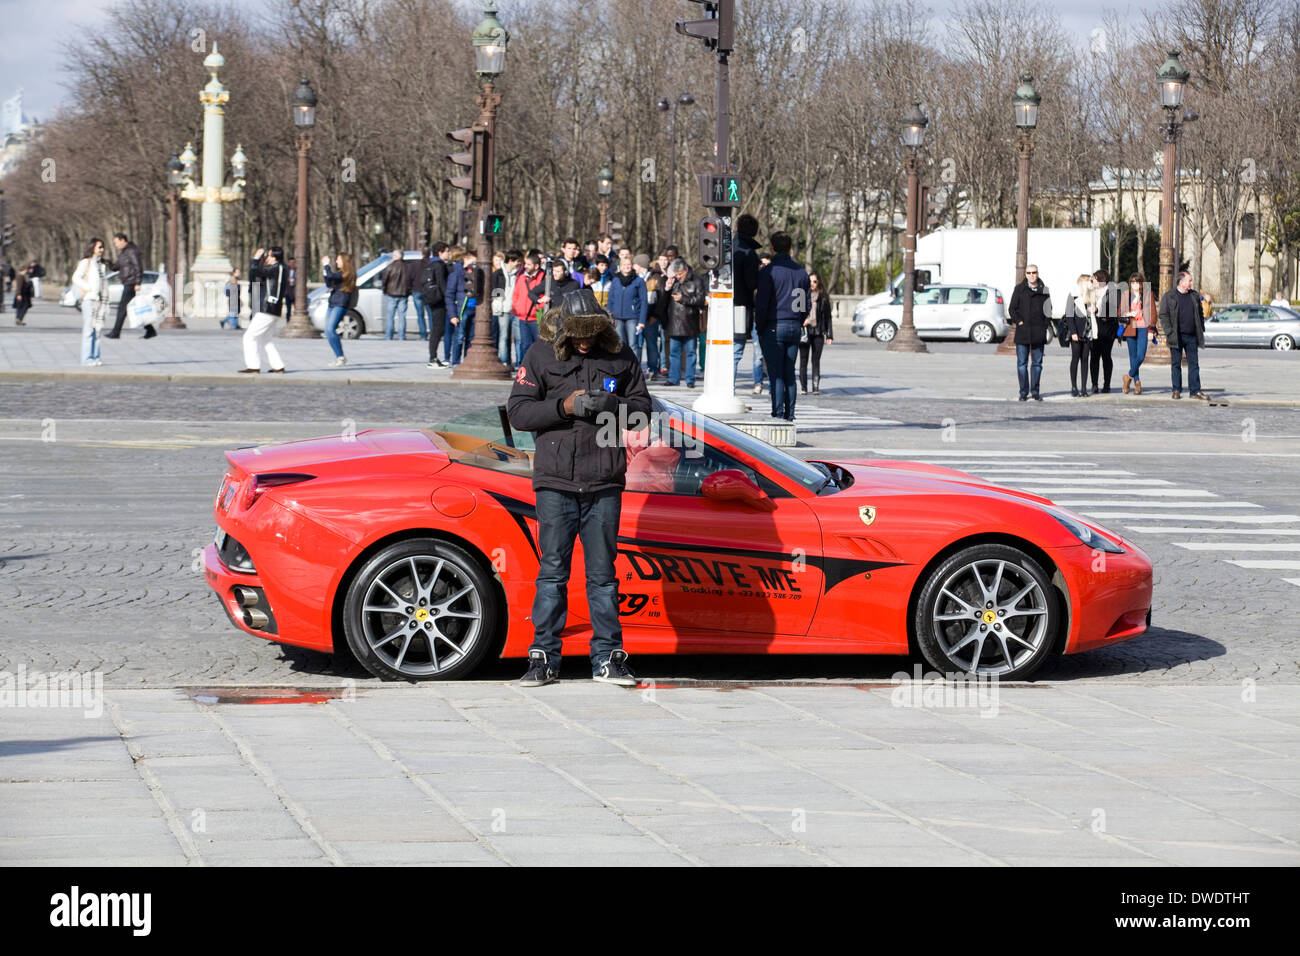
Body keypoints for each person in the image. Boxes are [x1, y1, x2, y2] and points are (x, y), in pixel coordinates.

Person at [507, 286, 652, 687]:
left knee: (603, 576)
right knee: (553, 573)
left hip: (604, 481)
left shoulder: (621, 356)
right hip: (555, 483)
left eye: (590, 334)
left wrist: (612, 407)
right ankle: (543, 658)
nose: (584, 342)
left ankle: (608, 657)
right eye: (577, 335)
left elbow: (642, 413)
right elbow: (518, 412)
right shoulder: (539, 354)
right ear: (564, 330)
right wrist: (564, 407)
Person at [755, 231, 811, 420]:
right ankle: (790, 414)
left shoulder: (768, 272)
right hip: (794, 325)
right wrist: (798, 319)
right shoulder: (801, 272)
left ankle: (777, 414)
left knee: (775, 374)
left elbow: (762, 304)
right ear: (790, 248)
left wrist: (759, 326)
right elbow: (805, 304)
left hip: (774, 324)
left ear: (772, 247)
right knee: (789, 373)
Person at [1159, 270, 1207, 400]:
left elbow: (1200, 313)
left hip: (1192, 336)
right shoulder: (1170, 296)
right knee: (1176, 364)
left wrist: (1201, 328)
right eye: (1189, 280)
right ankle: (1176, 389)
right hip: (1176, 336)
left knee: (1194, 364)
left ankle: (1195, 391)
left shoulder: (1194, 296)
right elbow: (1163, 315)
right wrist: (1169, 331)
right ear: (1181, 282)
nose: (1191, 283)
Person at [732, 213, 765, 395]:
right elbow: (752, 283)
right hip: (741, 306)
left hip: (727, 304)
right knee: (736, 350)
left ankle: (727, 388)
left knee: (729, 351)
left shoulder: (729, 249)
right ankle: (729, 390)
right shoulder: (748, 253)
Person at [242, 247, 288, 374]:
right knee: (266, 339)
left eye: (268, 255)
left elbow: (255, 270)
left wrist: (256, 258)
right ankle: (278, 366)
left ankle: (253, 366)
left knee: (249, 336)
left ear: (273, 257)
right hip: (274, 308)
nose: (266, 258)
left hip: (267, 308)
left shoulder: (275, 268)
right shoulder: (282, 268)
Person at [1008, 264, 1050, 401]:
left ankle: (1035, 391)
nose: (1031, 275)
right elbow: (1012, 309)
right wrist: (1019, 321)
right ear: (1025, 274)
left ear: (1038, 273)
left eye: (1034, 272)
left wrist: (1044, 325)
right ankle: (1023, 392)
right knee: (1022, 364)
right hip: (1023, 332)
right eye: (1029, 273)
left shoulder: (1044, 290)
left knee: (1037, 364)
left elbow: (1048, 309)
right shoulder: (1019, 289)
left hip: (1038, 332)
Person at [663, 257, 707, 388]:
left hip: (690, 322)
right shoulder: (674, 282)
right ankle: (673, 378)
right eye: (676, 274)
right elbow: (664, 302)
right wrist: (667, 288)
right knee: (674, 353)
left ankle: (690, 379)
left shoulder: (697, 281)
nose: (678, 277)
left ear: (686, 270)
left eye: (680, 274)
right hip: (674, 322)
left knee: (691, 352)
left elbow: (700, 300)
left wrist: (683, 299)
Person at [105, 232, 155, 340]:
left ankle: (115, 332)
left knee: (122, 308)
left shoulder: (131, 251)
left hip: (131, 283)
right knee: (134, 308)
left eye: (116, 243)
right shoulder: (124, 252)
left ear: (123, 240)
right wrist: (108, 263)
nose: (116, 245)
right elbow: (116, 267)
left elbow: (138, 267)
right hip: (128, 282)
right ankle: (150, 330)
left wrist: (137, 282)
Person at [71, 238, 110, 366]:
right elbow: (76, 277)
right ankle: (86, 358)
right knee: (88, 330)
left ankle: (95, 357)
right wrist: (88, 288)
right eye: (99, 247)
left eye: (102, 247)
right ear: (92, 247)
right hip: (89, 299)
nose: (101, 250)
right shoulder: (85, 263)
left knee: (98, 330)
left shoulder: (102, 265)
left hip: (101, 301)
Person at [1118, 272, 1155, 395]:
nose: (1135, 285)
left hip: (1143, 327)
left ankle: (1128, 377)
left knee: (1141, 356)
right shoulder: (1125, 295)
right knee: (1133, 357)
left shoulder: (1147, 295)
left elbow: (1153, 314)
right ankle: (1137, 383)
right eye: (1132, 282)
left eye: (1137, 282)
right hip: (1130, 327)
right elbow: (1120, 313)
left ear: (1141, 283)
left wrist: (1151, 330)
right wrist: (1128, 314)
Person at [606, 251, 647, 358]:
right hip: (617, 317)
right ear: (620, 266)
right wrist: (609, 316)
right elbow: (610, 300)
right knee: (620, 344)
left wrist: (642, 321)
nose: (626, 267)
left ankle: (635, 369)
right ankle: (623, 367)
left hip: (633, 318)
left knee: (633, 345)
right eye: (624, 265)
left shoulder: (639, 281)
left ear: (632, 266)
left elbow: (644, 302)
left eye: (629, 264)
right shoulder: (615, 280)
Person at [799, 270, 833, 395]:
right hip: (805, 331)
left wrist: (829, 335)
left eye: (815, 281)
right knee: (803, 360)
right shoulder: (802, 296)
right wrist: (802, 321)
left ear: (818, 283)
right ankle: (803, 387)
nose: (812, 284)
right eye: (810, 281)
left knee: (816, 360)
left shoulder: (823, 298)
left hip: (818, 331)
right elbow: (797, 312)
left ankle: (815, 387)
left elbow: (828, 317)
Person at [444, 248, 479, 366]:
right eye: (473, 261)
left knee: (471, 338)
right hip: (462, 310)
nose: (475, 264)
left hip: (475, 308)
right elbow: (449, 295)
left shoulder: (477, 272)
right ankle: (456, 362)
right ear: (466, 259)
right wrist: (453, 315)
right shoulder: (456, 273)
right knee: (459, 337)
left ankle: (467, 361)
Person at [321, 252, 356, 367]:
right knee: (327, 330)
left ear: (345, 261)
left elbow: (332, 276)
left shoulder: (348, 273)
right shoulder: (340, 273)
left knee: (331, 329)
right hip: (332, 303)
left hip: (340, 303)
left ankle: (340, 356)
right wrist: (325, 270)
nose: (336, 262)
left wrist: (327, 265)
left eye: (338, 260)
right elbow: (329, 283)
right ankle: (339, 356)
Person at [1062, 274, 1094, 397]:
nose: (1091, 283)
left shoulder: (1091, 296)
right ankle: (1074, 387)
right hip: (1076, 332)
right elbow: (1069, 315)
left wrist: (1095, 310)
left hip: (1088, 332)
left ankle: (1084, 388)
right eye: (1089, 281)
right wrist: (1073, 332)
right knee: (1075, 358)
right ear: (1083, 283)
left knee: (1085, 359)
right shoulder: (1073, 295)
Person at [511, 252, 546, 365]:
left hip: (536, 318)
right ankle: (524, 368)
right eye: (525, 264)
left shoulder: (544, 278)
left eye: (528, 264)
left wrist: (539, 308)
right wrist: (517, 308)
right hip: (522, 317)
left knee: (538, 345)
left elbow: (544, 297)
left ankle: (537, 368)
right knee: (524, 345)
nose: (525, 266)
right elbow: (516, 294)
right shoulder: (521, 277)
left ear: (536, 266)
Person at [1090, 268, 1119, 392]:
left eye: (1094, 279)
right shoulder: (1092, 292)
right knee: (1094, 356)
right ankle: (1094, 384)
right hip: (1094, 326)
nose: (1092, 281)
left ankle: (1107, 384)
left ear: (1100, 279)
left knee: (1106, 356)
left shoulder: (1112, 291)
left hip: (1107, 327)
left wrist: (1098, 311)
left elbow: (1114, 309)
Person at [423, 242, 451, 368]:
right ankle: (433, 358)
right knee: (438, 329)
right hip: (439, 300)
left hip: (432, 298)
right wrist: (449, 299)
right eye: (447, 251)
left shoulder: (430, 263)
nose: (449, 254)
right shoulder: (439, 265)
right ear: (440, 252)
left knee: (437, 328)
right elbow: (442, 284)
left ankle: (433, 357)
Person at [493, 249, 522, 368]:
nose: (519, 264)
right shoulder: (498, 273)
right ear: (511, 261)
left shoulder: (519, 274)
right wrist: (499, 305)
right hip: (503, 310)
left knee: (518, 338)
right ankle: (505, 361)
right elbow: (495, 291)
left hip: (516, 310)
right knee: (504, 336)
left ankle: (520, 362)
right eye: (518, 262)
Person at [380, 249, 411, 340]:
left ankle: (389, 335)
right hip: (403, 294)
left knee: (390, 316)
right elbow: (410, 280)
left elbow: (385, 280)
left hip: (391, 293)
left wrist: (384, 289)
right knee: (402, 316)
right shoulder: (407, 267)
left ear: (396, 256)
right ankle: (401, 336)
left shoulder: (390, 267)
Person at [409, 249, 431, 340]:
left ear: (421, 254)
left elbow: (410, 277)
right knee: (430, 314)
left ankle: (423, 335)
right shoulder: (432, 264)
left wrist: (410, 288)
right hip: (429, 291)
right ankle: (433, 333)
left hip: (417, 290)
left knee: (420, 314)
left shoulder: (415, 264)